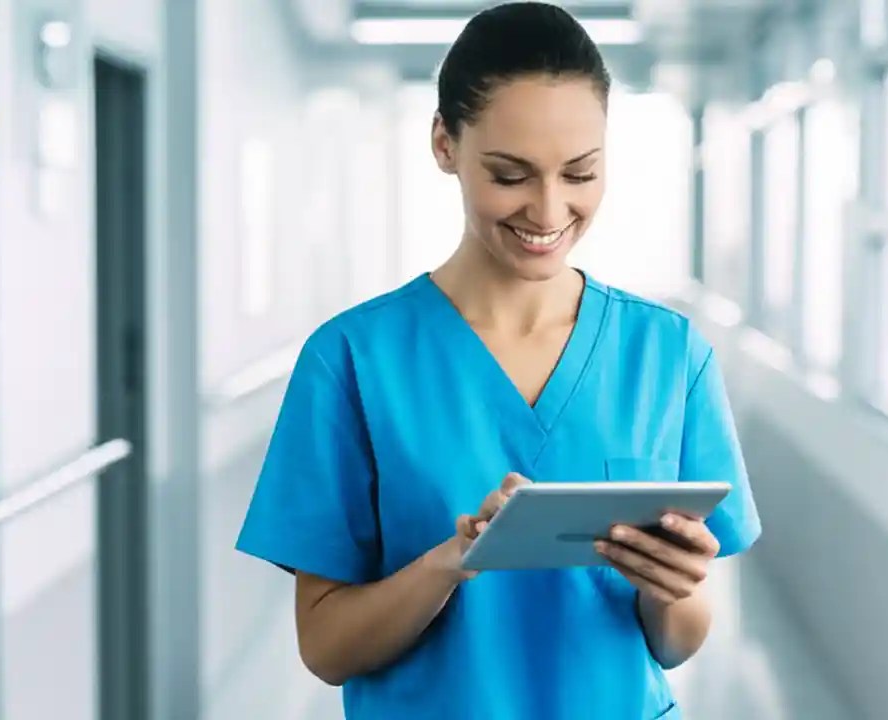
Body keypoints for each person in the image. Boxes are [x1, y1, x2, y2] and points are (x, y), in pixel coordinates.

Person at [234, 2, 761, 718]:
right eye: (511, 174)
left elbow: (677, 642)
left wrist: (670, 587)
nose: (548, 212)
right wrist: (448, 565)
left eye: (580, 173)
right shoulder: (353, 360)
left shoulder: (669, 356)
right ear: (444, 143)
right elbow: (327, 649)